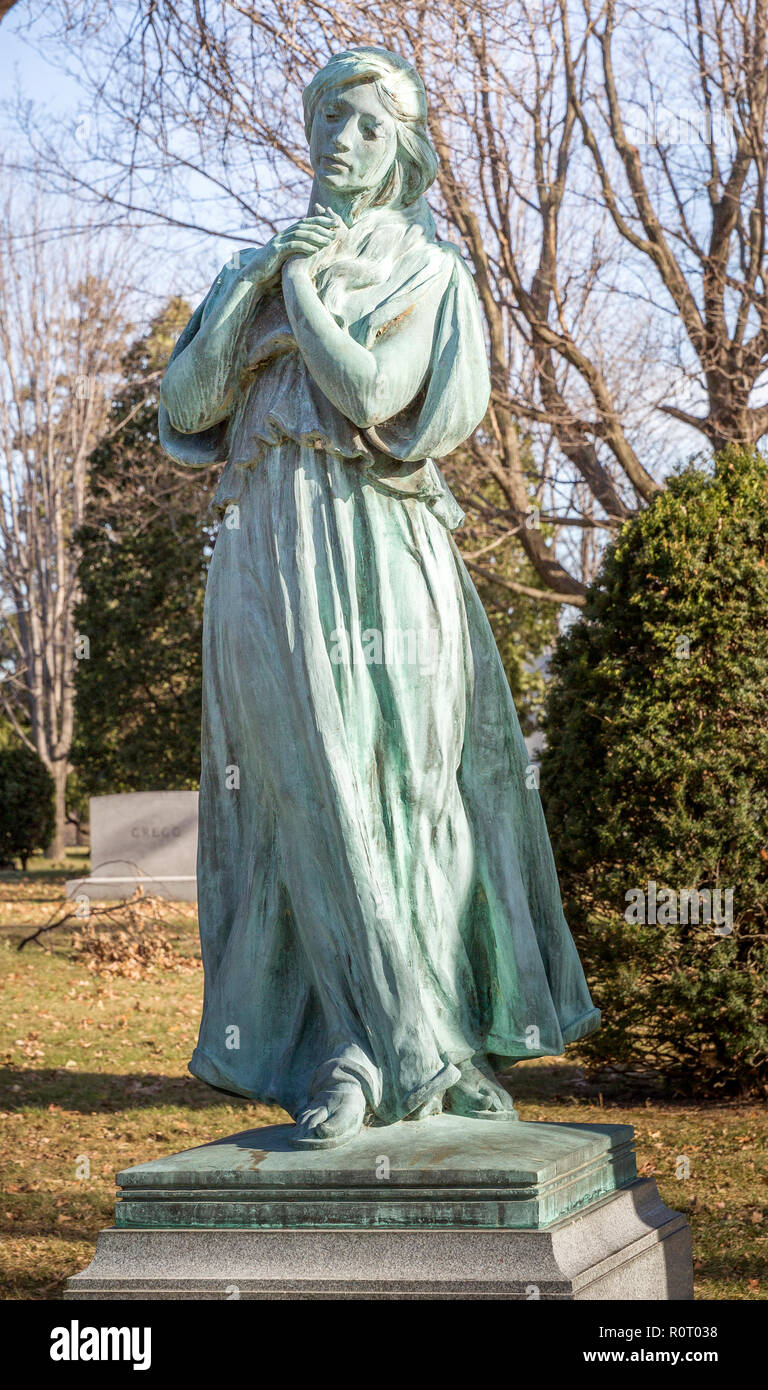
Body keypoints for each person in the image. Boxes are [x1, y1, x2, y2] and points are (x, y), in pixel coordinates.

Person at [159, 46, 600, 1150]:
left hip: (377, 558)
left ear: (401, 147)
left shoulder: (424, 267)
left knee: (399, 791)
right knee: (297, 798)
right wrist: (258, 289)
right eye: (327, 118)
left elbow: (368, 393)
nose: (337, 139)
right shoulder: (254, 266)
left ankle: (421, 1045)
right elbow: (186, 402)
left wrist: (299, 295)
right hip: (261, 552)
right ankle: (345, 1047)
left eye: (365, 123)